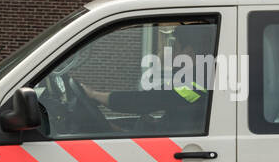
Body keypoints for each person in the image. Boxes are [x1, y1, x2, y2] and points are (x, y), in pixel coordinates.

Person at [80, 23, 215, 133]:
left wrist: (94, 95)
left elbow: (146, 101)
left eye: (174, 47)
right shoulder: (195, 76)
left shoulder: (196, 83)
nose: (169, 52)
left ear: (189, 52)